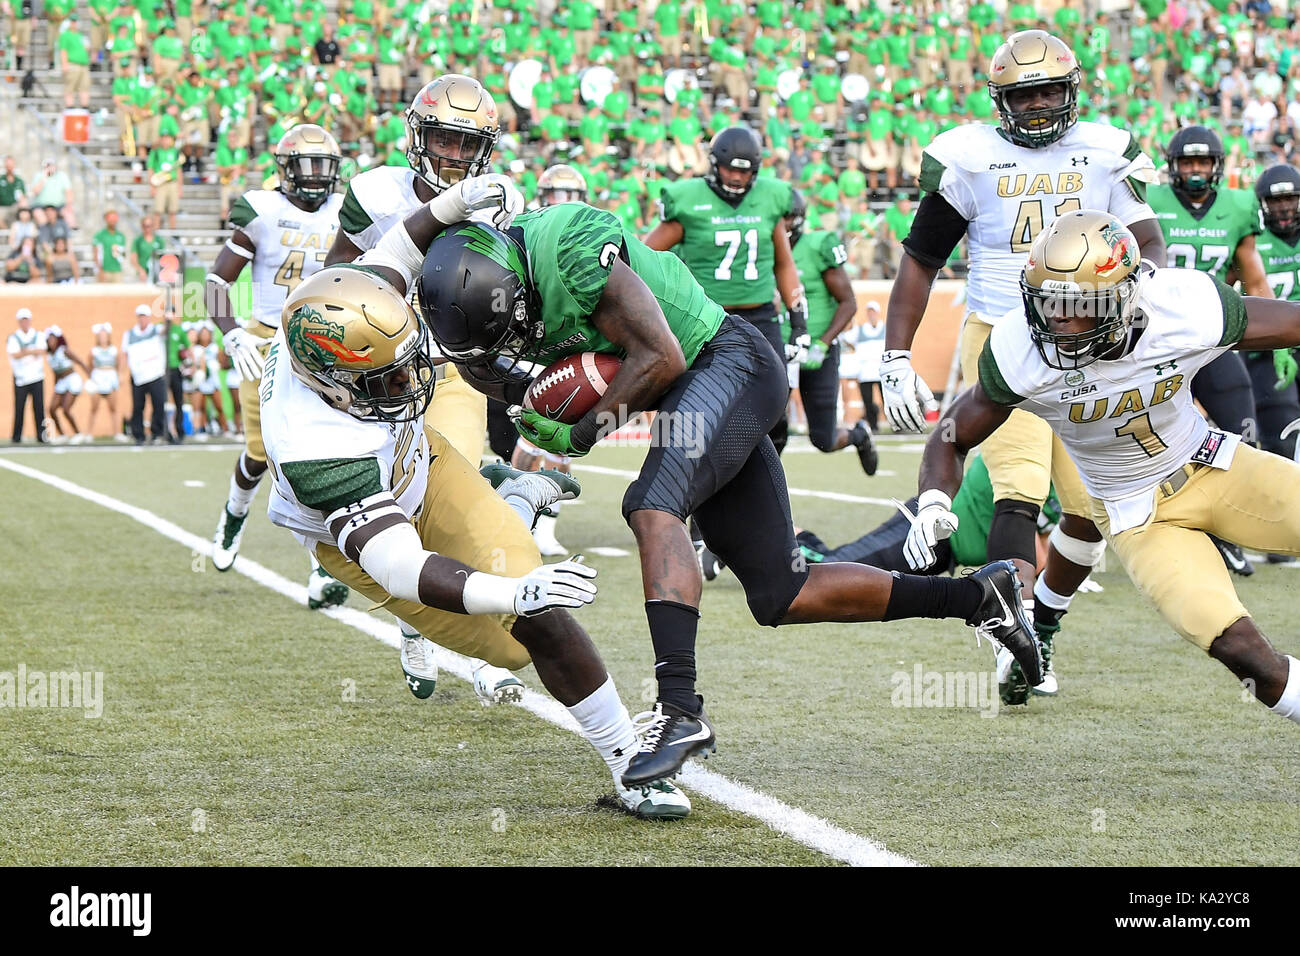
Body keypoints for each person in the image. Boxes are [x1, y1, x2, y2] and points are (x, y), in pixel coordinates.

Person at [365, 193, 1043, 789]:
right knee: (782, 593)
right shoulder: (473, 313)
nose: (506, 345)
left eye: (509, 328)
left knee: (651, 504)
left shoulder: (565, 242)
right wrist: (523, 397)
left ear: (514, 280)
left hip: (731, 363)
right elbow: (495, 375)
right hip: (705, 394)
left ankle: (679, 710)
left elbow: (663, 357)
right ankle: (980, 595)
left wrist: (579, 432)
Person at [262, 264, 691, 819]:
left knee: (541, 622)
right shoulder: (313, 449)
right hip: (359, 537)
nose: (411, 384)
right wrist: (513, 595)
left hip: (424, 465)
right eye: (388, 381)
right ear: (331, 383)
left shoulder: (335, 316)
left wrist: (452, 205)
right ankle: (509, 503)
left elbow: (394, 249)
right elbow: (398, 565)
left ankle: (630, 766)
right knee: (508, 642)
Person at [915, 209, 1300, 727]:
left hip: (1214, 466)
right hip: (1139, 515)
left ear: (1125, 297)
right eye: (1047, 303)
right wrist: (934, 500)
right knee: (1240, 647)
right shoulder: (1022, 350)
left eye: (1077, 306)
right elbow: (952, 435)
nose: (1057, 321)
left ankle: (1047, 622)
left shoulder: (1181, 306)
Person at [881, 30, 1166, 703]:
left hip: (1091, 336)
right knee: (1019, 485)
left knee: (1091, 506)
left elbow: (1147, 236)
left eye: (1047, 91)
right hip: (1005, 336)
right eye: (1023, 94)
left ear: (1071, 92)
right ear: (999, 100)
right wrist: (895, 354)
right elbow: (921, 260)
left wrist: (1149, 282)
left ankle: (1040, 625)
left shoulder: (1102, 151)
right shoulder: (969, 158)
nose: (1037, 106)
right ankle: (1015, 634)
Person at [324, 76, 527, 700]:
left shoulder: (501, 201)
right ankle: (417, 620)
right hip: (378, 375)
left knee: (463, 482)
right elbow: (338, 278)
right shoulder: (373, 193)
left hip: (448, 369)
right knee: (390, 508)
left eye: (468, 145)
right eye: (443, 138)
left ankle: (488, 653)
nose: (454, 157)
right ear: (418, 133)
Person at [206, 124, 352, 613]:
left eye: (323, 166)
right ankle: (234, 512)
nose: (315, 177)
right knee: (260, 454)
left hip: (325, 342)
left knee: (320, 453)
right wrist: (231, 331)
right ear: (285, 170)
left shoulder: (345, 211)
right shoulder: (262, 211)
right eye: (306, 165)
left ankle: (320, 569)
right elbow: (214, 282)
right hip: (267, 338)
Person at [1147, 125, 1273, 576]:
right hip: (1157, 343)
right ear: (1173, 166)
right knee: (1146, 441)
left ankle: (1229, 532)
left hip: (1214, 339)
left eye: (1203, 162)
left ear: (1217, 166)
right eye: (1188, 162)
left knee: (1243, 432)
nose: (1196, 171)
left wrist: (1273, 331)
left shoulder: (1238, 208)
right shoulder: (1150, 202)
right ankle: (1152, 525)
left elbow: (1254, 280)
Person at [504, 163, 591, 557]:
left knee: (561, 442)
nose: (563, 204)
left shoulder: (589, 235)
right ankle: (511, 513)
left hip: (573, 345)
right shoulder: (526, 230)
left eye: (571, 197)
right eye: (557, 194)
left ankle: (547, 522)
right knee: (530, 433)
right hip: (537, 344)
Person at [785, 189, 877, 473]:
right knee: (768, 430)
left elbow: (849, 302)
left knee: (823, 439)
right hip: (780, 348)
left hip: (817, 348)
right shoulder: (761, 249)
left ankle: (860, 434)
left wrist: (822, 343)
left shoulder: (818, 245)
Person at [122, 304, 168, 444]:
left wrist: (168, 319)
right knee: (137, 407)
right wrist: (121, 373)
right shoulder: (129, 334)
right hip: (138, 376)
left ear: (149, 317)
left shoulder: (156, 330)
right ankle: (139, 435)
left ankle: (156, 433)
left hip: (155, 374)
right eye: (140, 316)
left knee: (159, 404)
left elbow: (165, 330)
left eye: (145, 316)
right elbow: (124, 354)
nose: (142, 319)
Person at [7, 307, 47, 443]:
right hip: (21, 379)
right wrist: (31, 351)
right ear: (19, 322)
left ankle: (42, 436)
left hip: (37, 377)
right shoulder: (14, 337)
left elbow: (41, 350)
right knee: (19, 409)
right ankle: (16, 437)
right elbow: (15, 354)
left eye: (26, 320)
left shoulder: (38, 335)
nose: (25, 323)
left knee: (39, 408)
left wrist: (25, 351)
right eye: (22, 321)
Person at [44, 325, 90, 441]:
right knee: (52, 408)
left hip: (72, 380)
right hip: (61, 382)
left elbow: (80, 362)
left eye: (53, 339)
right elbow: (55, 373)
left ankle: (78, 433)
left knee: (66, 409)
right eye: (49, 339)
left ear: (58, 339)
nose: (51, 342)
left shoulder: (64, 350)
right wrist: (55, 388)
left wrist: (90, 376)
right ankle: (62, 435)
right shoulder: (49, 356)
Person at [85, 322, 124, 440]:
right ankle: (88, 434)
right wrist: (91, 379)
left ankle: (117, 433)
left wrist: (118, 376)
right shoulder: (94, 351)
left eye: (104, 335)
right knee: (94, 408)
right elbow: (89, 365)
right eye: (100, 335)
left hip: (110, 377)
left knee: (113, 408)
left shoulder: (113, 350)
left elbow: (118, 364)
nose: (103, 337)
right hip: (98, 377)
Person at [93, 209, 128, 283]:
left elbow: (122, 255)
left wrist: (119, 253)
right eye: (110, 218)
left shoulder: (121, 236)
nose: (113, 221)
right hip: (104, 271)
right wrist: (100, 270)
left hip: (117, 270)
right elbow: (95, 254)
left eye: (114, 218)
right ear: (106, 220)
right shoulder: (100, 235)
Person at [0, 156, 26, 227]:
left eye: (11, 164)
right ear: (5, 166)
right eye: (8, 165)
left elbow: (23, 196)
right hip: (2, 207)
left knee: (24, 205)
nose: (9, 167)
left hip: (15, 207)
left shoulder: (19, 181)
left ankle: (22, 231)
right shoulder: (1, 179)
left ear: (14, 165)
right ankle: (7, 233)